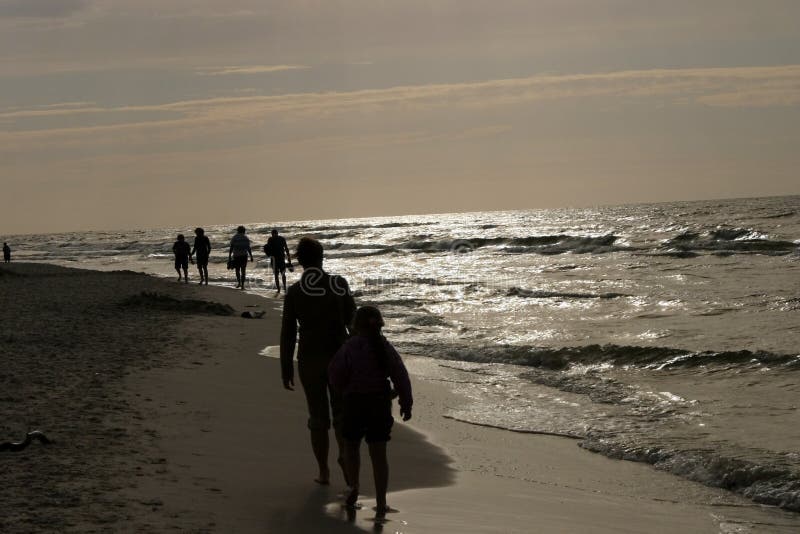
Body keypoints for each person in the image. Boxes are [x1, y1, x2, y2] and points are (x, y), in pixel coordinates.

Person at [280, 237, 356, 486]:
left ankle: (323, 471)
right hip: (338, 354)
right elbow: (353, 323)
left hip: (309, 357)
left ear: (300, 260)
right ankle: (345, 458)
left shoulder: (295, 292)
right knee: (342, 414)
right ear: (322, 257)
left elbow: (288, 332)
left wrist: (285, 366)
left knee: (317, 417)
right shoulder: (338, 284)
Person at [328, 306, 412, 517]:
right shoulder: (385, 347)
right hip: (380, 404)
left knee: (351, 447)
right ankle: (381, 501)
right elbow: (400, 375)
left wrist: (343, 390)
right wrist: (405, 401)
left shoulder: (350, 347)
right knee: (378, 454)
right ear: (381, 325)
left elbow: (335, 373)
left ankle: (353, 489)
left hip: (354, 403)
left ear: (355, 326)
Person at [264, 229, 292, 293]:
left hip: (274, 259)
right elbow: (286, 248)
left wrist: (268, 254)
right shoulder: (282, 239)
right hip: (281, 258)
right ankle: (284, 287)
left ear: (272, 233)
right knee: (283, 274)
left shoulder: (270, 239)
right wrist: (289, 257)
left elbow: (268, 248)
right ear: (277, 233)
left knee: (276, 275)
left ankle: (278, 289)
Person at [228, 225, 253, 289]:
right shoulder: (246, 238)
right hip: (244, 256)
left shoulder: (234, 237)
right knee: (243, 270)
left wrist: (229, 256)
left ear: (238, 231)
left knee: (237, 270)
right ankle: (242, 285)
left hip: (236, 256)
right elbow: (248, 248)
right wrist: (251, 256)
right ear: (244, 231)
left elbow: (231, 247)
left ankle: (239, 283)